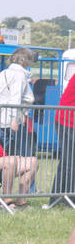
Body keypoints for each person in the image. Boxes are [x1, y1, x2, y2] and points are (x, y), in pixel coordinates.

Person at [0, 47, 36, 160]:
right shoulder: (19, 75)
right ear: (24, 60)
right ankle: (29, 177)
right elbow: (15, 98)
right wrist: (14, 119)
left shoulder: (3, 73)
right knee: (27, 158)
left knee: (4, 156)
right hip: (14, 120)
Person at [51, 68, 75, 197]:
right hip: (67, 121)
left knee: (68, 160)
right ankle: (67, 197)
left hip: (67, 119)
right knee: (70, 161)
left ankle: (60, 197)